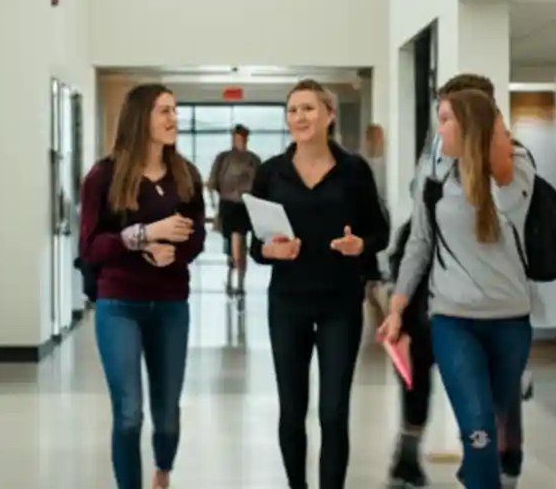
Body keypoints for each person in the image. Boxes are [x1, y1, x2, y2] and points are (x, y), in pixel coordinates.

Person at [379, 88, 535, 489]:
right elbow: (419, 242)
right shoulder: (434, 171)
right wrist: (396, 307)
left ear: (470, 124)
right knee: (477, 426)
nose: (439, 128)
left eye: (446, 118)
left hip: (509, 319)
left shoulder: (515, 164)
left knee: (498, 426)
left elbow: (510, 208)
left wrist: (490, 145)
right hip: (452, 319)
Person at [248, 78, 390, 489]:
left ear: (329, 115)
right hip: (287, 303)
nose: (300, 117)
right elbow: (257, 241)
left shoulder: (354, 170)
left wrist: (359, 245)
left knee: (332, 412)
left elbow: (378, 232)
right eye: (293, 110)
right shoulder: (271, 172)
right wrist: (269, 252)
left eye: (309, 108)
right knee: (292, 410)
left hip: (340, 304)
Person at [78, 83, 206, 489]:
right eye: (164, 111)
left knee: (166, 413)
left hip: (171, 304)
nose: (174, 119)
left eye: (174, 110)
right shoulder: (104, 176)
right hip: (119, 304)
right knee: (130, 412)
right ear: (140, 119)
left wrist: (175, 253)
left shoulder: (186, 175)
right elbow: (90, 247)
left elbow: (197, 234)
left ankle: (163, 471)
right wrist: (143, 236)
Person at [208, 124, 262, 298]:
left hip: (245, 205)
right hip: (228, 204)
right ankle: (234, 277)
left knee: (239, 244)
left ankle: (239, 281)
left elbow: (261, 184)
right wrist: (215, 205)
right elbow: (213, 182)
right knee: (231, 245)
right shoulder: (224, 158)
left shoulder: (253, 159)